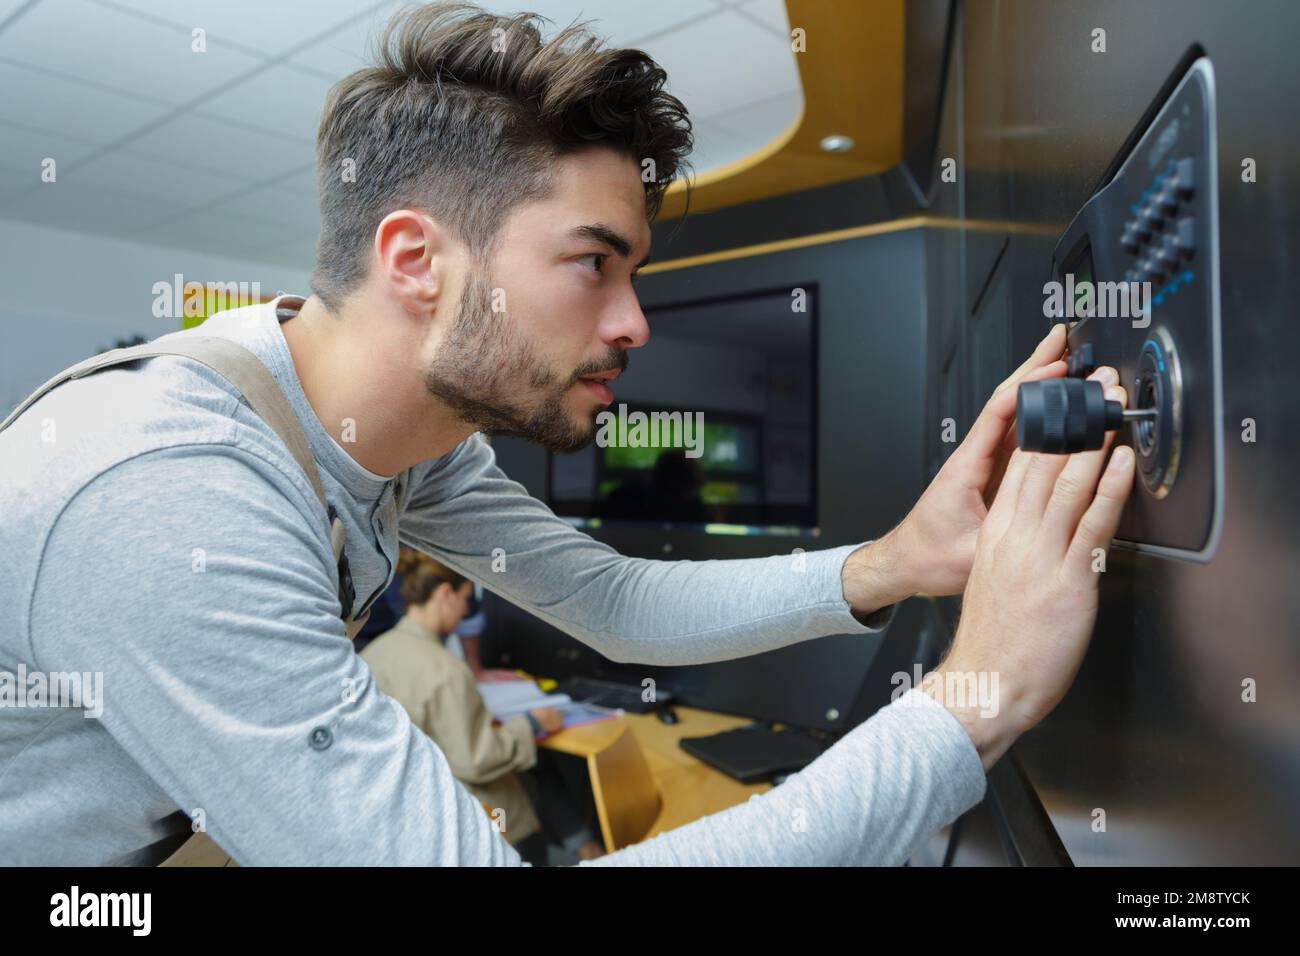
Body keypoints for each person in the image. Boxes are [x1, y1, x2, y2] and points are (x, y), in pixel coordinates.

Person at [0, 2, 1135, 865]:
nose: (633, 320)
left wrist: (893, 562)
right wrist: (974, 696)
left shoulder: (404, 435)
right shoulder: (167, 496)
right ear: (415, 262)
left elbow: (609, 601)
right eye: (593, 263)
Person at [360, 549, 603, 863]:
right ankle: (588, 850)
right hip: (478, 815)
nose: (464, 612)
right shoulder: (446, 671)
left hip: (412, 812)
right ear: (445, 594)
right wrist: (532, 723)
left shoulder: (373, 654)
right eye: (464, 600)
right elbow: (477, 760)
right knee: (535, 772)